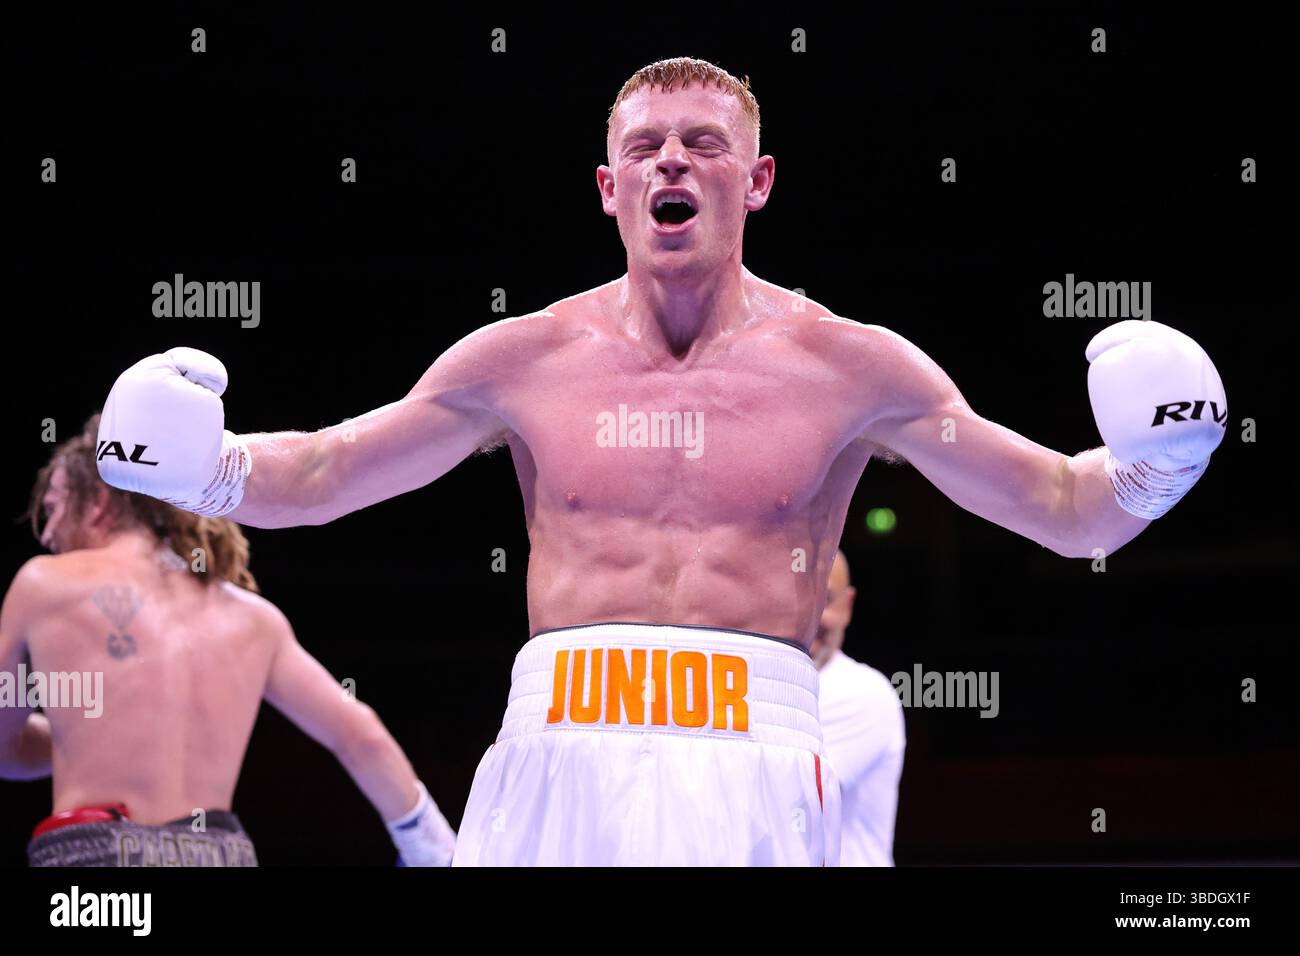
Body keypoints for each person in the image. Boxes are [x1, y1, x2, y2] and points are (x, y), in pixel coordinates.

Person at [92, 57, 1226, 865]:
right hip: (561, 751)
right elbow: (329, 474)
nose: (669, 161)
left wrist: (1153, 465)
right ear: (608, 187)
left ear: (757, 179)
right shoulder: (521, 353)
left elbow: (1066, 510)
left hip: (755, 752)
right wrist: (203, 468)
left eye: (701, 144)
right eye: (643, 146)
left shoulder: (854, 364)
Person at [0, 414, 456, 866]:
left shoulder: (44, 584)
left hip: (96, 852)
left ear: (99, 501)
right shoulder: (254, 619)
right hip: (220, 854)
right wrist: (433, 848)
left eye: (55, 507)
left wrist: (74, 727)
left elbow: (4, 747)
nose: (47, 533)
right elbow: (362, 737)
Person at [811, 551, 905, 866]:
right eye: (799, 596)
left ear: (846, 606)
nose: (810, 616)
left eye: (824, 598)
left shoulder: (863, 692)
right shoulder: (749, 681)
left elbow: (790, 800)